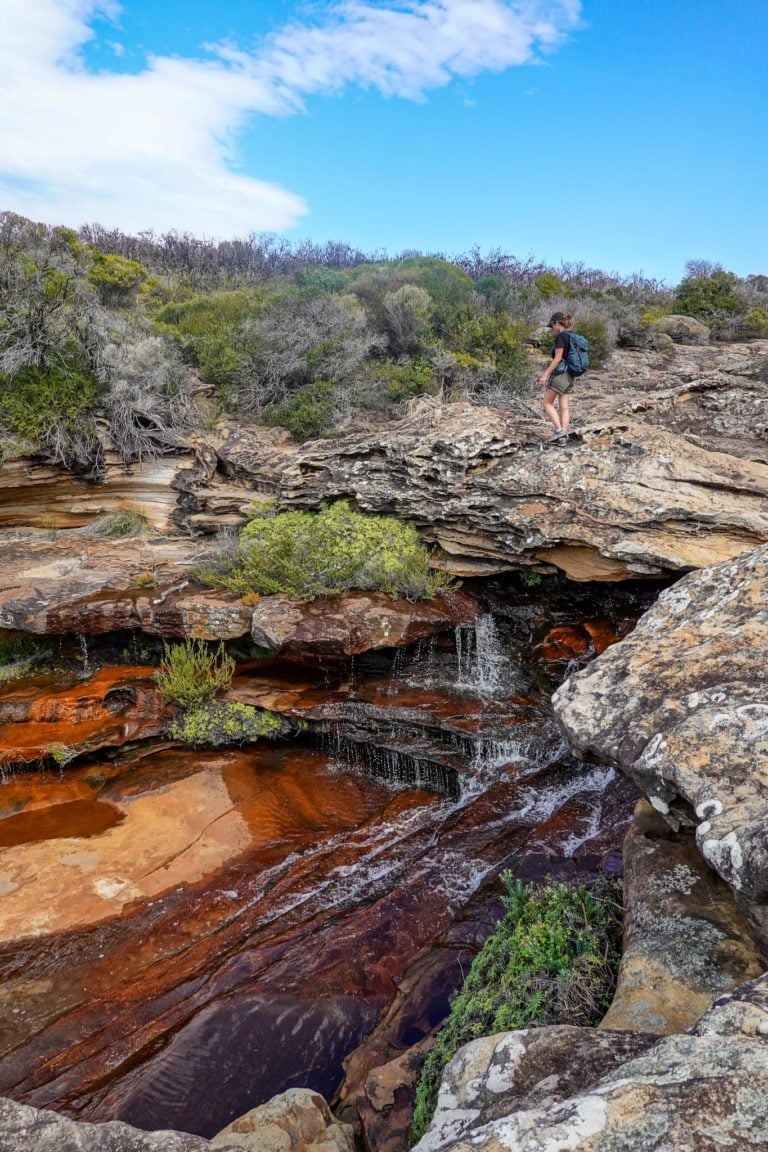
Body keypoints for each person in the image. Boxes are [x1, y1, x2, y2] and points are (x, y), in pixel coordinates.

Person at [538, 312, 575, 444]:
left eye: (552, 325)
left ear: (556, 323)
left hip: (561, 374)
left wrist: (545, 374)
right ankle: (562, 438)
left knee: (547, 403)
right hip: (571, 375)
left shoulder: (561, 337)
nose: (552, 329)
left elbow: (558, 358)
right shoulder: (572, 336)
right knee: (564, 407)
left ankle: (559, 431)